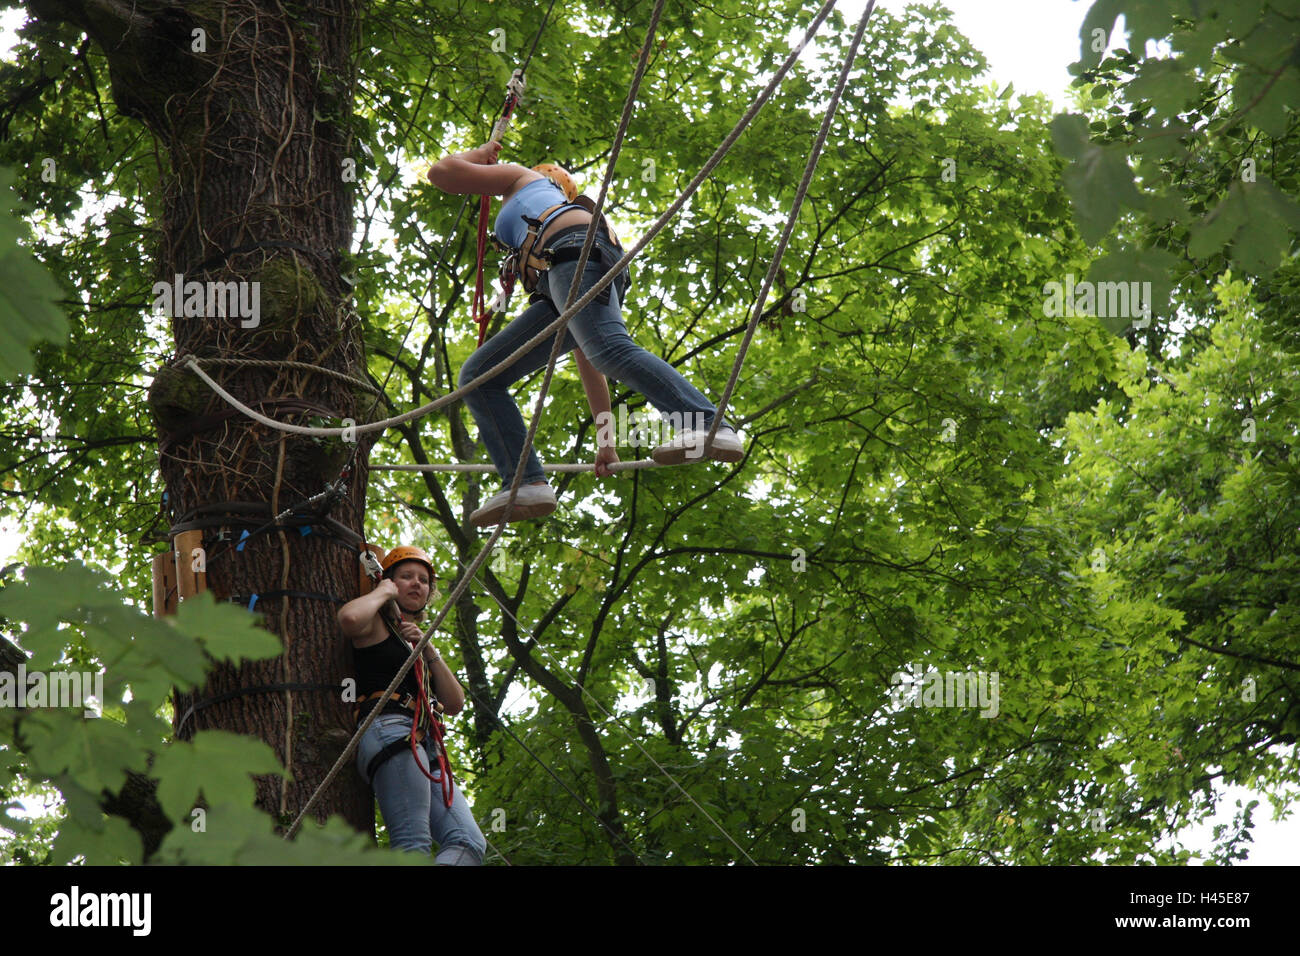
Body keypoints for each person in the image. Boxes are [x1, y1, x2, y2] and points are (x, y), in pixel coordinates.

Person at [427, 141, 745, 527]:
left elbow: (441, 173)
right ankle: (524, 482)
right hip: (564, 272)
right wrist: (606, 442)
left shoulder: (522, 179)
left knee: (609, 348)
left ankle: (707, 424)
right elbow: (590, 363)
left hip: (573, 252)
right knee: (479, 379)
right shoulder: (543, 229)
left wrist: (478, 154)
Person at [337, 545, 487, 864]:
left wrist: (426, 645)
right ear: (390, 582)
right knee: (412, 845)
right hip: (391, 731)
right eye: (406, 577)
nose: (417, 583)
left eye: (423, 579)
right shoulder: (377, 624)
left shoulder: (414, 641)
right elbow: (349, 618)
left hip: (424, 743)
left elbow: (455, 701)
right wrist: (382, 592)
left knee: (469, 842)